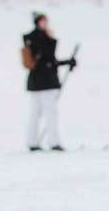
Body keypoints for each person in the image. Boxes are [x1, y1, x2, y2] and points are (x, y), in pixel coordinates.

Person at [23, 13, 76, 152]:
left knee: (36, 113)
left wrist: (66, 62)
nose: (45, 23)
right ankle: (53, 142)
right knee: (49, 113)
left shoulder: (33, 38)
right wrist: (66, 62)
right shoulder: (41, 37)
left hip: (35, 82)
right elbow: (48, 61)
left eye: (45, 21)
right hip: (45, 82)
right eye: (42, 21)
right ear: (37, 22)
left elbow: (48, 61)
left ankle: (33, 141)